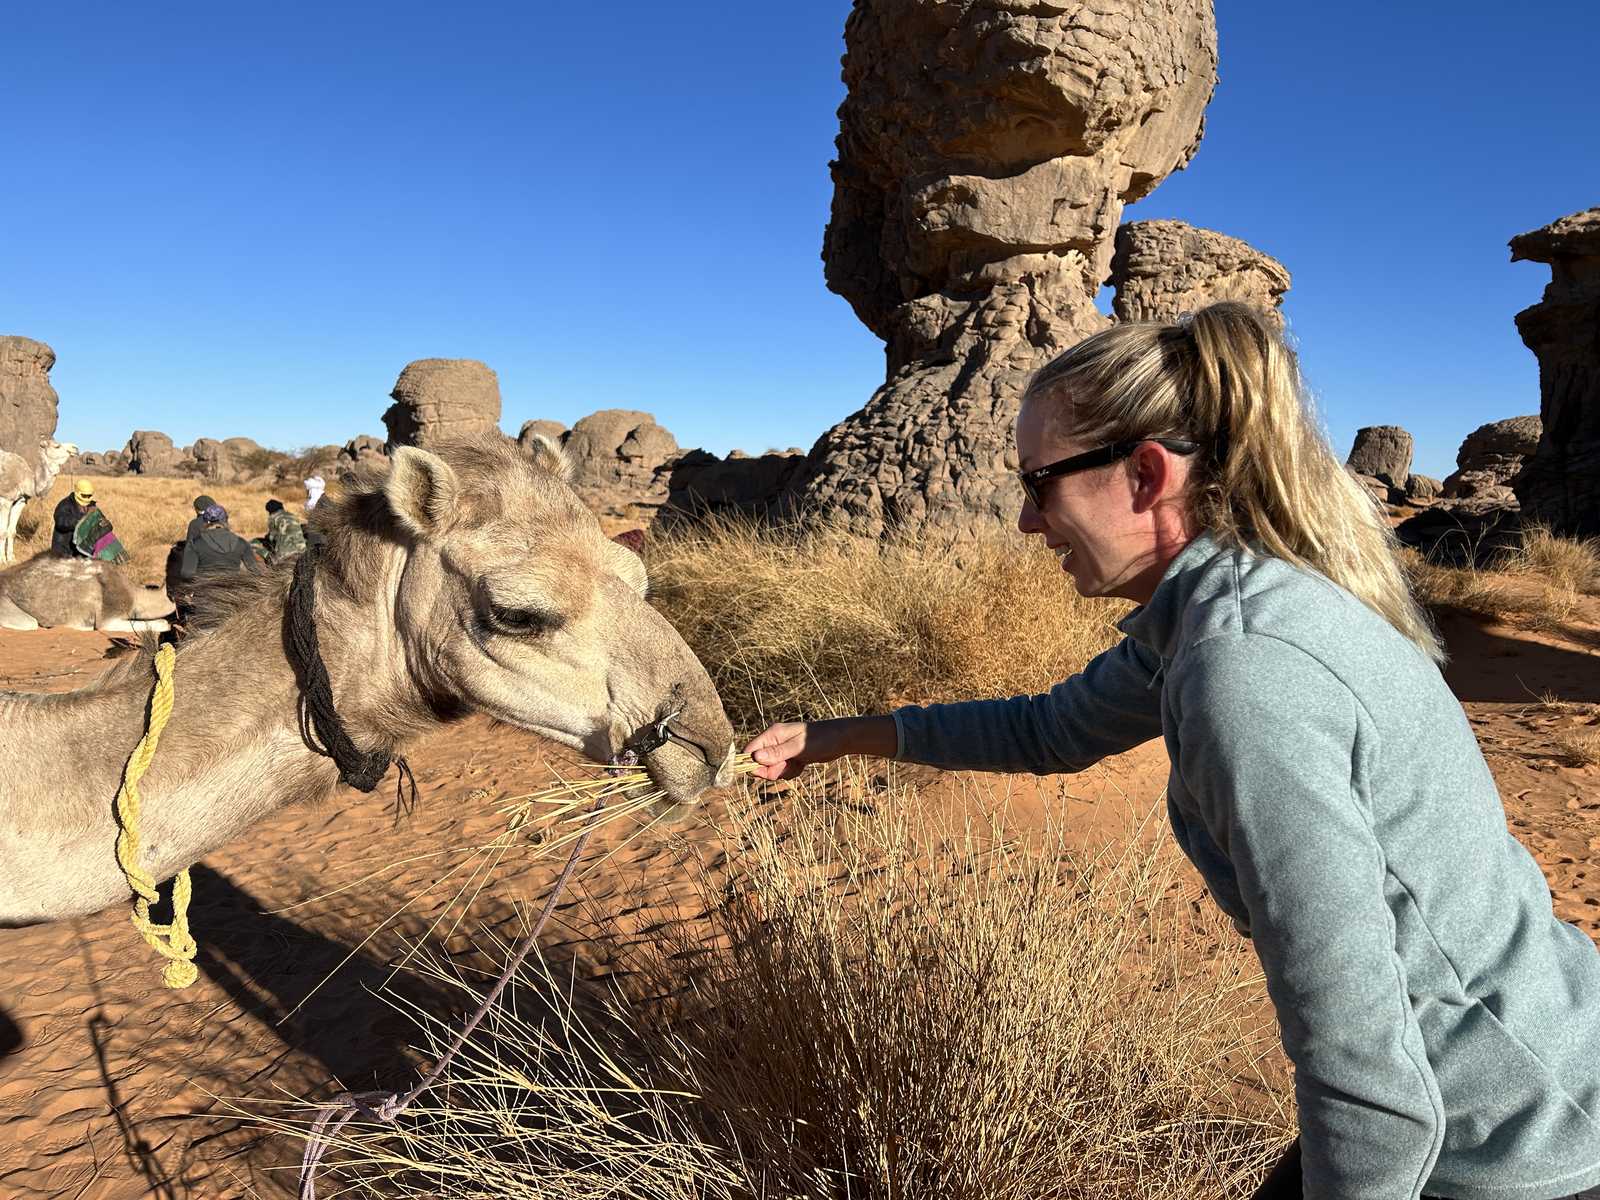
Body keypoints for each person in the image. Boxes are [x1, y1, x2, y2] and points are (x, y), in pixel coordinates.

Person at [745, 302, 1600, 1200]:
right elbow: (1052, 728)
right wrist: (845, 736)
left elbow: (1354, 1033)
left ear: (1146, 474)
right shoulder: (1231, 604)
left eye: (1039, 486)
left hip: (1504, 1136)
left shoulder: (1248, 668)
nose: (1031, 524)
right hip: (1498, 1077)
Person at [178, 503, 262, 584]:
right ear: (226, 520)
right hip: (232, 594)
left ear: (205, 522)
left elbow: (187, 574)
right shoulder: (241, 543)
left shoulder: (195, 543)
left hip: (204, 593)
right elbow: (256, 571)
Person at [50, 479, 95, 556]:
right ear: (77, 492)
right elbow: (61, 522)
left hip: (81, 551)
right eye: (84, 495)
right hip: (63, 550)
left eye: (89, 495)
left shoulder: (91, 506)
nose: (87, 498)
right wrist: (79, 522)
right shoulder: (65, 504)